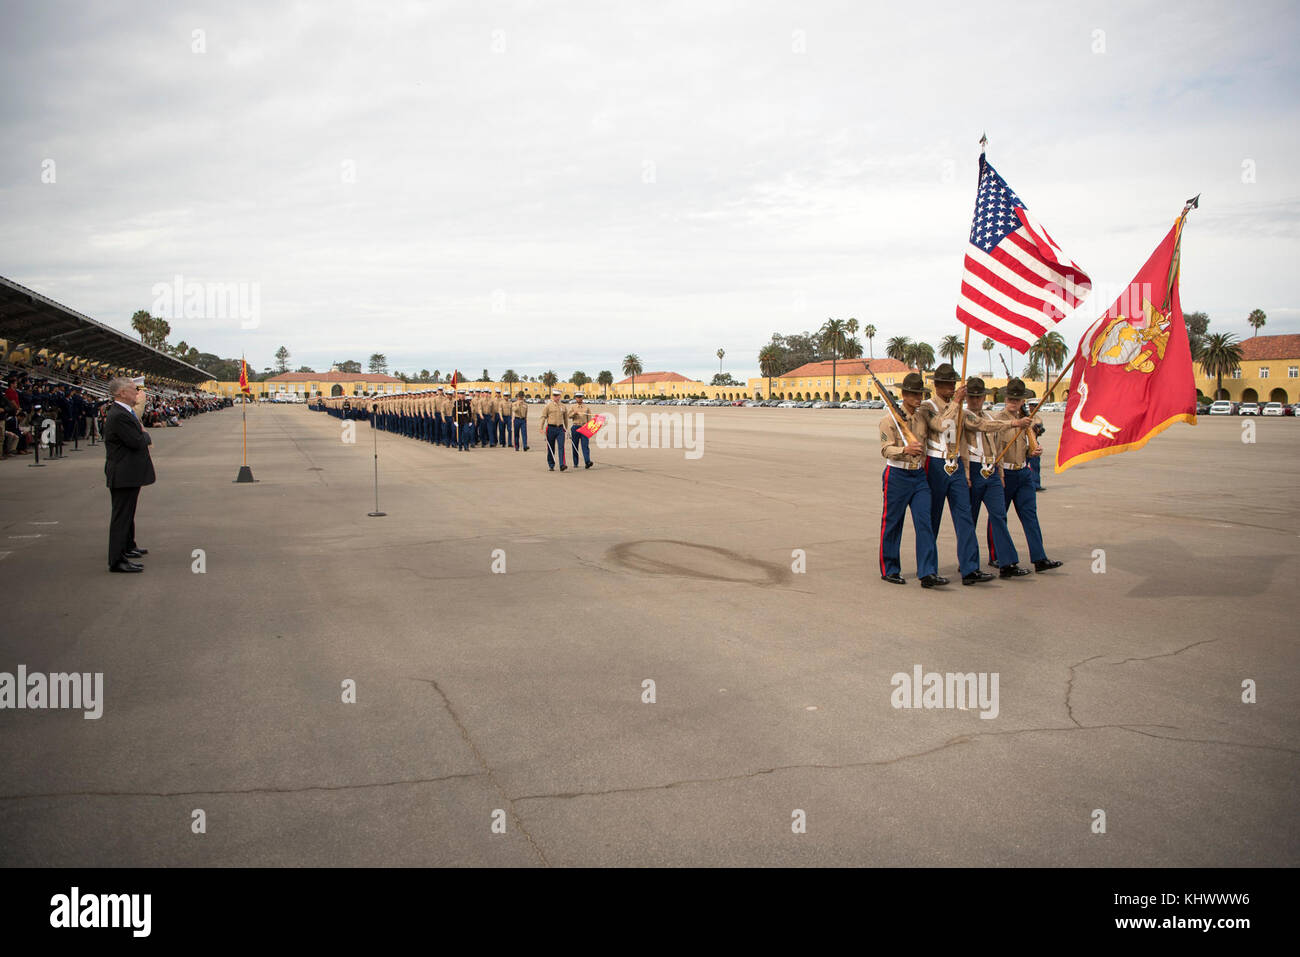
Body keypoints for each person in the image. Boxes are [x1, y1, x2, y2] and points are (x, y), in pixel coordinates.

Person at [916, 364, 1004, 586]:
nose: (951, 388)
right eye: (947, 384)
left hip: (954, 464)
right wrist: (956, 402)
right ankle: (927, 571)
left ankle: (970, 568)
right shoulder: (926, 407)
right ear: (937, 385)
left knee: (964, 518)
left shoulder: (962, 411)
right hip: (935, 463)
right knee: (932, 519)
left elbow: (981, 424)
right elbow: (940, 424)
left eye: (953, 384)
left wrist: (1013, 423)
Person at [961, 378, 1031, 579]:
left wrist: (1000, 473)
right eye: (971, 397)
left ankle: (1007, 562)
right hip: (973, 469)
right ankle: (968, 563)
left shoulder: (990, 417)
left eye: (978, 397)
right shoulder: (964, 415)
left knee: (999, 516)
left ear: (984, 397)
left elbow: (997, 446)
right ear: (967, 398)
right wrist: (1014, 422)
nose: (975, 401)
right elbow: (982, 426)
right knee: (969, 519)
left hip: (991, 470)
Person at [879, 373, 944, 587]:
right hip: (897, 475)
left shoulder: (921, 418)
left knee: (925, 522)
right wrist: (904, 449)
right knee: (893, 524)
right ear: (904, 394)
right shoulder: (889, 420)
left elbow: (942, 427)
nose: (918, 398)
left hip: (918, 476)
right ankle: (890, 568)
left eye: (921, 394)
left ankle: (927, 572)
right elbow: (885, 449)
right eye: (914, 394)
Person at [993, 379, 1062, 573]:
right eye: (1010, 398)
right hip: (1004, 472)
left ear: (1023, 401)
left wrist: (1033, 451)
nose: (1013, 402)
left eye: (1017, 399)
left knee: (1030, 515)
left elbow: (1026, 447)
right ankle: (996, 556)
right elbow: (995, 448)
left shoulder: (1028, 421)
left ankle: (1039, 557)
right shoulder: (999, 420)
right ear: (1005, 399)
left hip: (1023, 472)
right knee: (998, 517)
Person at [103, 377, 155, 573]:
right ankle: (116, 559)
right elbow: (136, 440)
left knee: (127, 513)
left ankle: (126, 547)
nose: (137, 393)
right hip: (123, 472)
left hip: (128, 471)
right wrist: (145, 434)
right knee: (121, 516)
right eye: (133, 389)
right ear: (121, 393)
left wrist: (142, 432)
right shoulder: (119, 415)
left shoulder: (124, 412)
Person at [540, 389, 568, 471]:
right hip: (551, 428)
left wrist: (566, 428)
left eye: (557, 395)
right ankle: (551, 464)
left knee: (561, 446)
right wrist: (541, 428)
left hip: (560, 429)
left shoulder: (563, 406)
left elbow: (565, 418)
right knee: (551, 447)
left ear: (560, 396)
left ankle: (562, 464)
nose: (555, 397)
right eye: (554, 395)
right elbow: (543, 417)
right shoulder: (548, 406)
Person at [568, 393, 594, 469]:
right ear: (575, 398)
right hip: (575, 427)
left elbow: (589, 419)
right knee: (575, 445)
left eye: (580, 397)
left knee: (585, 446)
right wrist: (574, 413)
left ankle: (587, 462)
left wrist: (589, 429)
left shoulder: (587, 408)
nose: (579, 399)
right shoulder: (573, 407)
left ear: (582, 398)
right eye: (577, 397)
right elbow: (568, 416)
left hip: (584, 427)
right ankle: (575, 463)